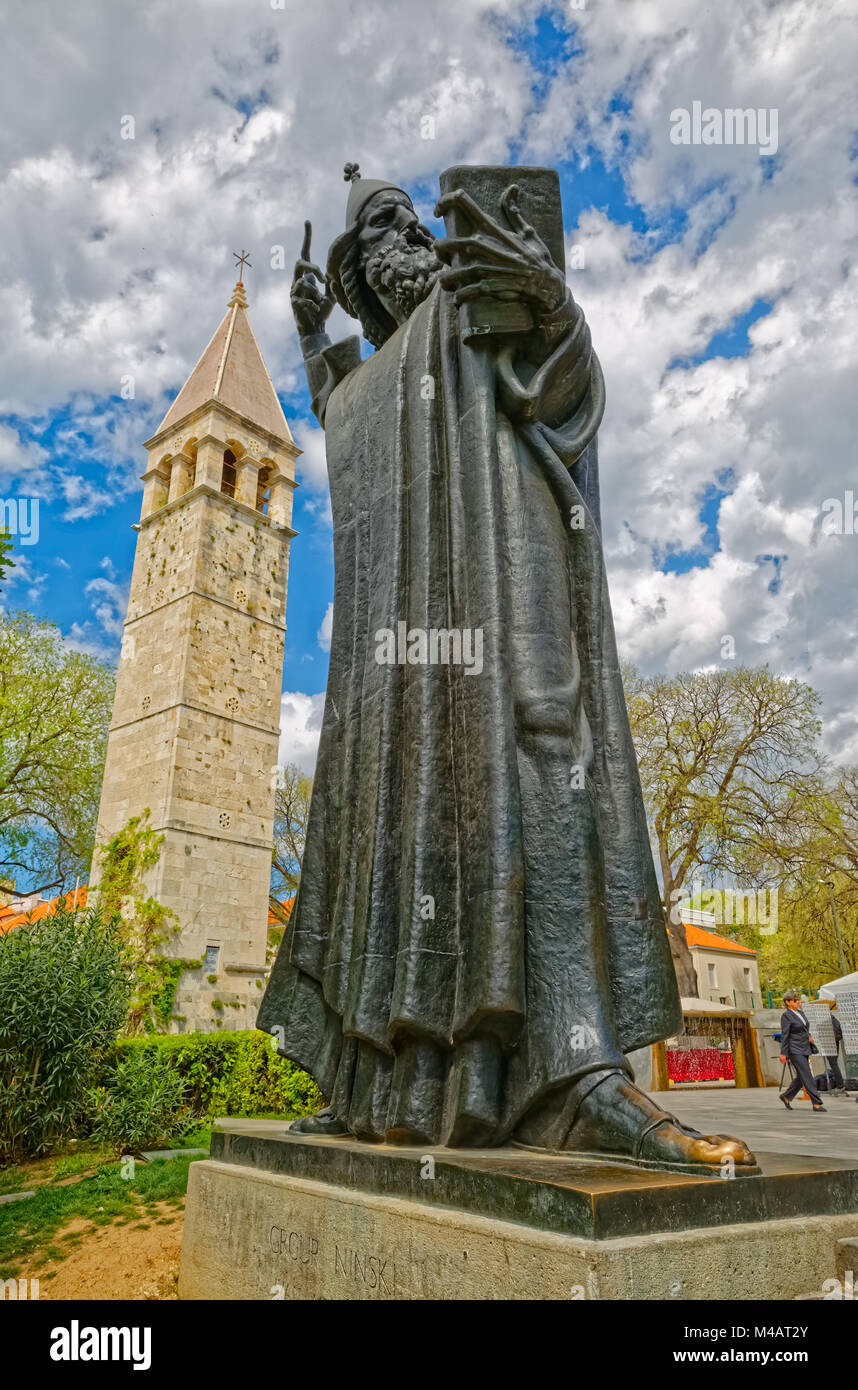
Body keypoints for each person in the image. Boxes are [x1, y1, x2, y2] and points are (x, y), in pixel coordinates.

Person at [258, 163, 757, 1175]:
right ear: (358, 280)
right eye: (376, 239)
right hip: (405, 655)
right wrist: (313, 337)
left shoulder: (474, 297)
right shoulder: (375, 380)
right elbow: (337, 410)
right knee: (386, 810)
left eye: (404, 222)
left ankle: (576, 1072)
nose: (401, 243)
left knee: (543, 743)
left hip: (507, 569)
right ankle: (375, 1088)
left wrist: (554, 307)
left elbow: (563, 379)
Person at [779, 991, 826, 1111]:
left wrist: (809, 1036)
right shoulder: (786, 1016)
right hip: (794, 1049)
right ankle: (816, 1103)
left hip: (805, 1047)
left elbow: (804, 1028)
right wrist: (783, 1053)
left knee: (801, 1076)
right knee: (807, 1075)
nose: (798, 1002)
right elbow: (785, 1035)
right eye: (795, 1000)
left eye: (798, 1000)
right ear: (788, 1002)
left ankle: (786, 1096)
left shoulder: (800, 1012)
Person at [825, 1002, 845, 1093]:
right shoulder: (835, 1020)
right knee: (834, 1064)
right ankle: (839, 1085)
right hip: (835, 1044)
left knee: (833, 1065)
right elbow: (840, 1034)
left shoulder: (828, 1021)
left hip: (830, 1044)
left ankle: (840, 1085)